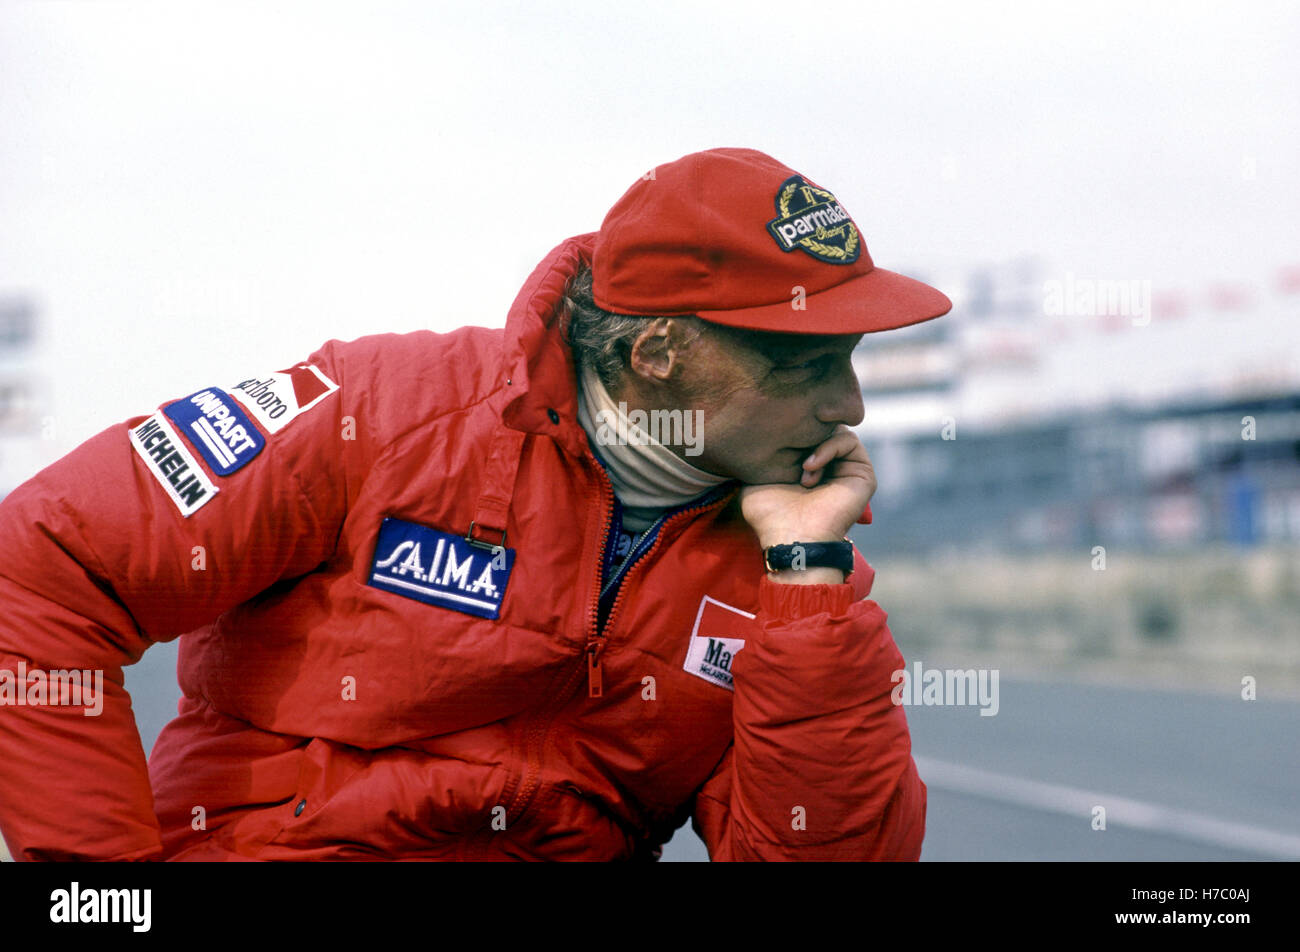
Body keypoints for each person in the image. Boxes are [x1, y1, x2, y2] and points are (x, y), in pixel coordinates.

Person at [0, 147, 950, 861]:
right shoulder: (376, 411)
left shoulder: (799, 579)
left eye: (852, 359)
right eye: (804, 365)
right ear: (659, 353)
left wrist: (810, 582)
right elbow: (36, 575)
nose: (849, 406)